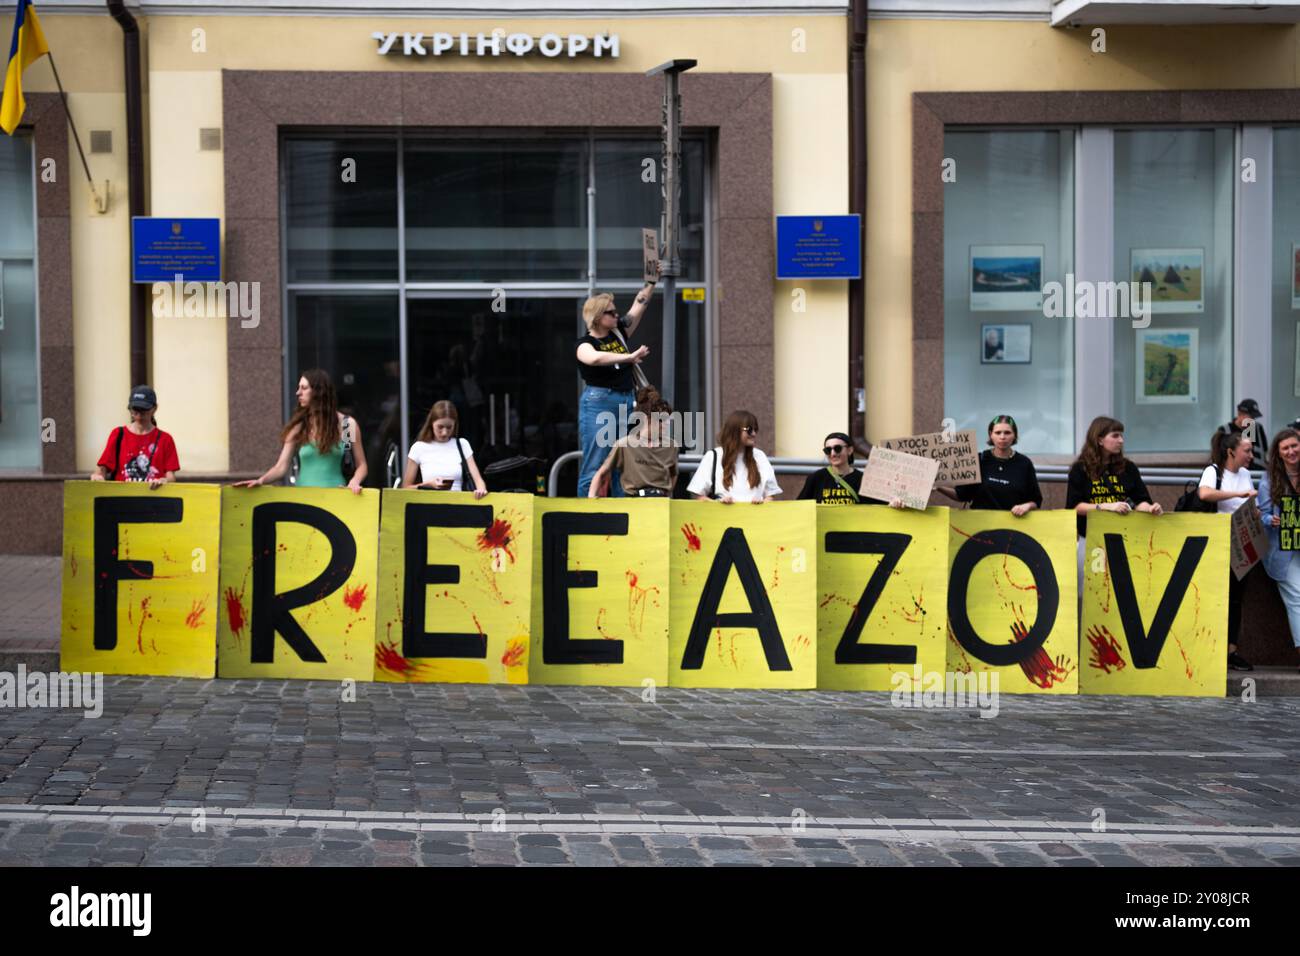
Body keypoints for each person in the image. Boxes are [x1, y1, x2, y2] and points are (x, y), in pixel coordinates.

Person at [575, 269, 660, 497]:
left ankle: (620, 514)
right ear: (597, 317)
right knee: (595, 463)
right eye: (611, 313)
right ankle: (585, 516)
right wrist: (629, 357)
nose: (616, 315)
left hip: (624, 401)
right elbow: (594, 358)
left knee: (622, 463)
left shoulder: (618, 332)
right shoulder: (585, 343)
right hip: (599, 402)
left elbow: (638, 305)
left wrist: (651, 282)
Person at [1067, 417, 1162, 590]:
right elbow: (1075, 507)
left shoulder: (1128, 468)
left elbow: (1140, 500)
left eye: (1122, 436)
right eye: (1116, 436)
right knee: (1094, 591)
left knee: (1123, 591)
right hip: (1092, 541)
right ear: (1099, 439)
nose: (1121, 441)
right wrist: (1106, 507)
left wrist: (1150, 508)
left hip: (1124, 539)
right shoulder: (1081, 469)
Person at [234, 369, 367, 492]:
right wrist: (261, 481)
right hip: (303, 499)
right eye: (299, 388)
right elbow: (281, 467)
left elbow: (362, 465)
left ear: (318, 391)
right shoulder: (299, 426)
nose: (298, 393)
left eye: (304, 388)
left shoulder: (347, 425)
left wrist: (354, 482)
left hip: (337, 497)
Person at [1198, 431, 1259, 672]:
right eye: (1247, 451)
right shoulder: (1213, 471)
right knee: (1215, 596)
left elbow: (1250, 504)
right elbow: (1204, 494)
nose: (1251, 456)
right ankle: (1208, 648)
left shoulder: (1245, 474)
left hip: (1241, 541)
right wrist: (1239, 494)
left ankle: (1230, 651)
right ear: (1231, 452)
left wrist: (1257, 514)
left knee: (1236, 598)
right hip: (1217, 541)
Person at [936, 415, 1042, 515]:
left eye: (1007, 433)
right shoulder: (978, 460)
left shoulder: (1024, 463)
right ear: (991, 434)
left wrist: (1027, 506)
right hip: (980, 527)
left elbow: (1036, 500)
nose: (1002, 437)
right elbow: (961, 495)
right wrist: (938, 486)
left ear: (1014, 435)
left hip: (1014, 527)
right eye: (998, 432)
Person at [1257, 427, 1300, 665]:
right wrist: (1270, 520)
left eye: (1295, 446)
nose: (1291, 451)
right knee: (1297, 596)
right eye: (1286, 448)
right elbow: (1262, 514)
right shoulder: (1269, 480)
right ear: (1278, 453)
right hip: (1283, 549)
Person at [589, 387, 679, 498]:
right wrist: (591, 501)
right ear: (646, 419)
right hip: (634, 500)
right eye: (661, 420)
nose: (666, 424)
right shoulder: (625, 444)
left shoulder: (671, 446)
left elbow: (673, 475)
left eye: (667, 420)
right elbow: (601, 473)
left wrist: (667, 494)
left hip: (661, 500)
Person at [91, 385, 180, 489]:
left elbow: (171, 476)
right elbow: (102, 469)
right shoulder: (118, 434)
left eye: (143, 409)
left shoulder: (165, 439)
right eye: (135, 410)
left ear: (154, 409)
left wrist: (164, 480)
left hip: (154, 499)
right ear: (129, 408)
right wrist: (97, 476)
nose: (139, 415)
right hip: (122, 500)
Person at [688, 410, 781, 504]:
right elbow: (699, 497)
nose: (753, 434)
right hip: (723, 517)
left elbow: (770, 496)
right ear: (735, 430)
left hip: (755, 517)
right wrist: (719, 503)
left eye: (755, 429)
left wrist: (762, 503)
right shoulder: (713, 456)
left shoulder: (760, 456)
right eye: (749, 430)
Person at [402, 399, 487, 498]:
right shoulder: (419, 447)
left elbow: (478, 480)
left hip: (459, 505)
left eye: (449, 427)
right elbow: (405, 488)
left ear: (455, 425)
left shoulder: (462, 444)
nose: (444, 432)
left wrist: (481, 490)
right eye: (440, 427)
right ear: (431, 423)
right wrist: (428, 485)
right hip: (428, 506)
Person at [798, 432, 897, 506]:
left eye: (837, 448)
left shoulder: (863, 479)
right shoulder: (816, 478)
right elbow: (800, 507)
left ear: (850, 450)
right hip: (825, 534)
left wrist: (895, 503)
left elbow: (879, 507)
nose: (833, 453)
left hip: (853, 533)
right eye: (828, 450)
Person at [1218, 398, 1268, 471]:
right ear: (1239, 414)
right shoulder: (1225, 430)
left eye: (1254, 417)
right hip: (1233, 475)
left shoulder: (1258, 428)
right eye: (1250, 417)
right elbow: (1219, 456)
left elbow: (1265, 452)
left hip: (1257, 475)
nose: (1252, 420)